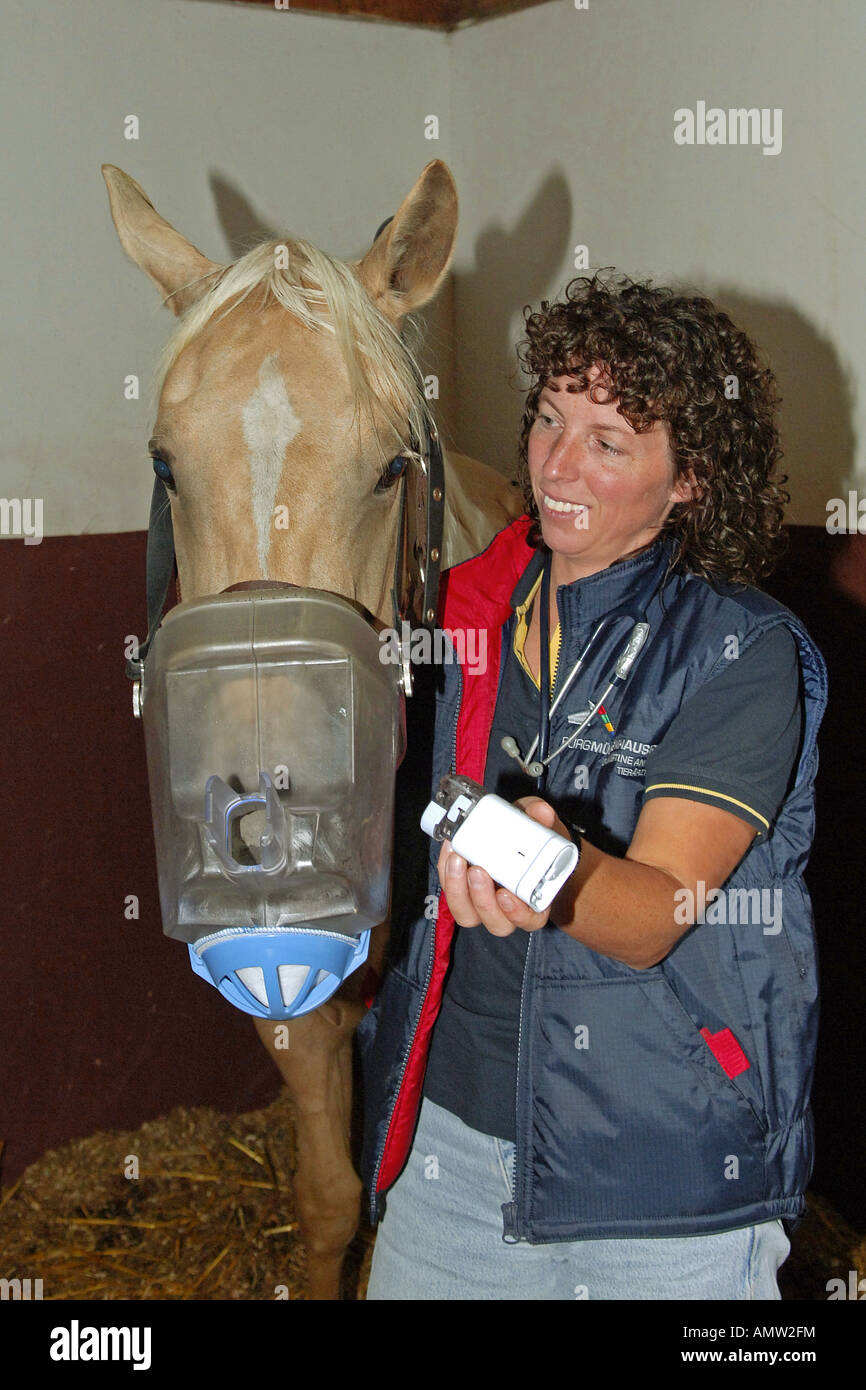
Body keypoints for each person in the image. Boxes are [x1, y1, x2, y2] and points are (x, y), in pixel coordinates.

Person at [357, 272, 828, 1300]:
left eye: (607, 441)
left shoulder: (735, 652)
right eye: (548, 419)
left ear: (689, 478)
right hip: (453, 1148)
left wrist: (544, 864)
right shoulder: (469, 613)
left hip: (657, 1182)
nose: (555, 464)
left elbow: (657, 906)